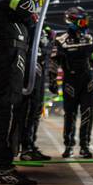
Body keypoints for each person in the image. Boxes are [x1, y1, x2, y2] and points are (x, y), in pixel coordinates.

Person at [0, 0, 44, 185]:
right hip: (7, 51)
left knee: (11, 106)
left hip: (13, 50)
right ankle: (2, 167)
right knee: (6, 107)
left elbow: (30, 15)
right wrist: (27, 3)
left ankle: (2, 164)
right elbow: (29, 10)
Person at [49, 6, 93, 158]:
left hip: (87, 81)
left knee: (87, 114)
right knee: (70, 115)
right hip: (70, 82)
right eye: (82, 21)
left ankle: (85, 146)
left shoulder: (88, 38)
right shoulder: (60, 40)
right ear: (72, 21)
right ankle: (68, 145)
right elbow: (54, 62)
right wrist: (52, 80)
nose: (85, 24)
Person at [17, 25, 53, 162]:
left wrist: (49, 38)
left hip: (38, 66)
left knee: (36, 109)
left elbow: (46, 48)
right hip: (29, 66)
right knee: (28, 109)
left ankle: (30, 145)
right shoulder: (26, 21)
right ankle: (25, 148)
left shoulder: (41, 25)